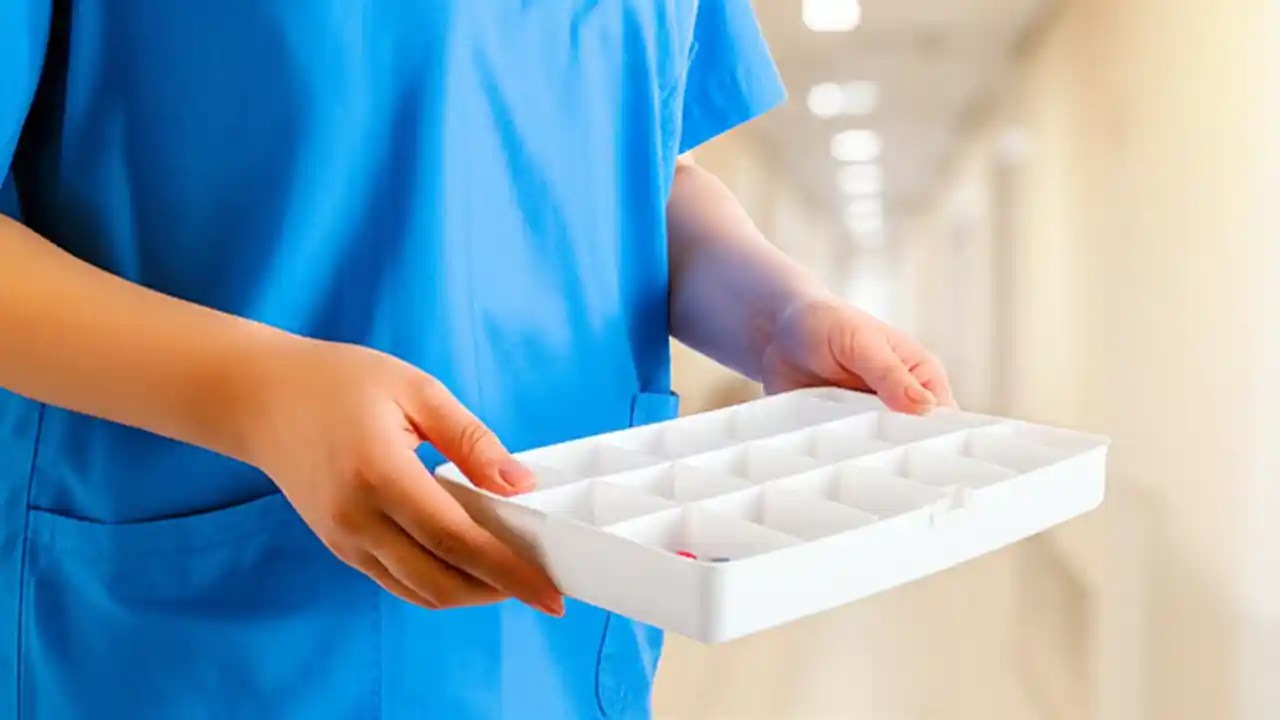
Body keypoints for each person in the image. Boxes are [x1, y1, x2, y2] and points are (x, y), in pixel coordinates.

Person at [0, 1, 954, 717]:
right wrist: (249, 391)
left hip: (559, 633)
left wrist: (775, 315)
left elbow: (629, 169)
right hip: (204, 635)